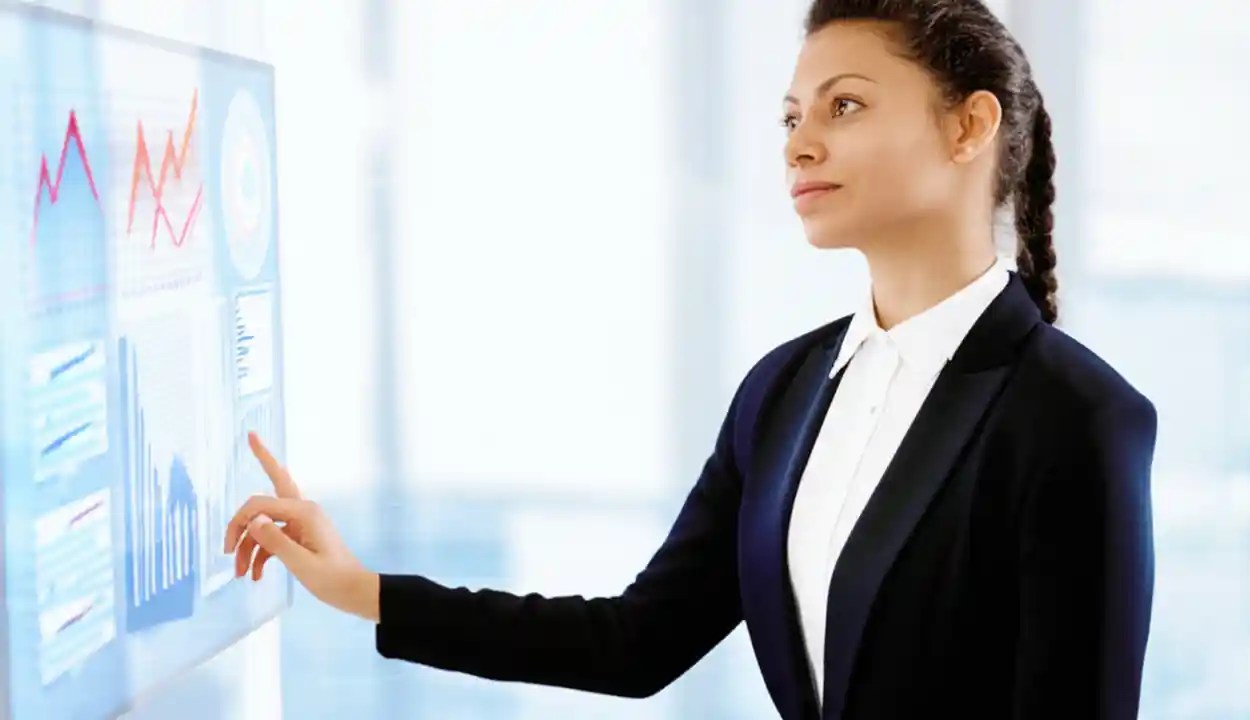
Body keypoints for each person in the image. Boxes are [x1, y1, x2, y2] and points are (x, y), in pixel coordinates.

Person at [225, 1, 1158, 718]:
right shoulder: (783, 393)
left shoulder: (1075, 418)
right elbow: (637, 641)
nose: (800, 142)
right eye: (792, 114)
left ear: (967, 128)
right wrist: (366, 591)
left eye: (845, 106)